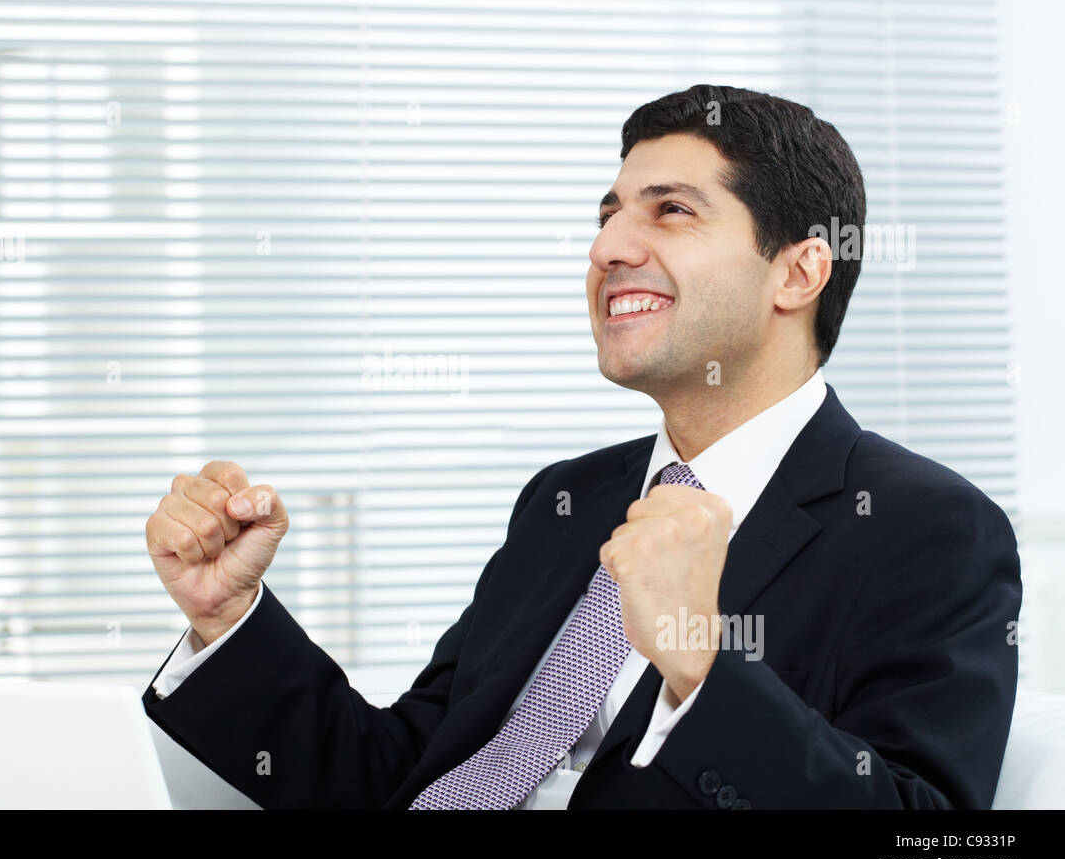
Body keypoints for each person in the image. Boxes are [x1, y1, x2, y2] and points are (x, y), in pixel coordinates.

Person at [140, 85, 1021, 809]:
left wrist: (701, 664)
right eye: (606, 217)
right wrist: (229, 620)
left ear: (798, 272)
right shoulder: (567, 502)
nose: (607, 248)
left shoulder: (926, 528)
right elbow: (403, 772)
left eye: (670, 211)